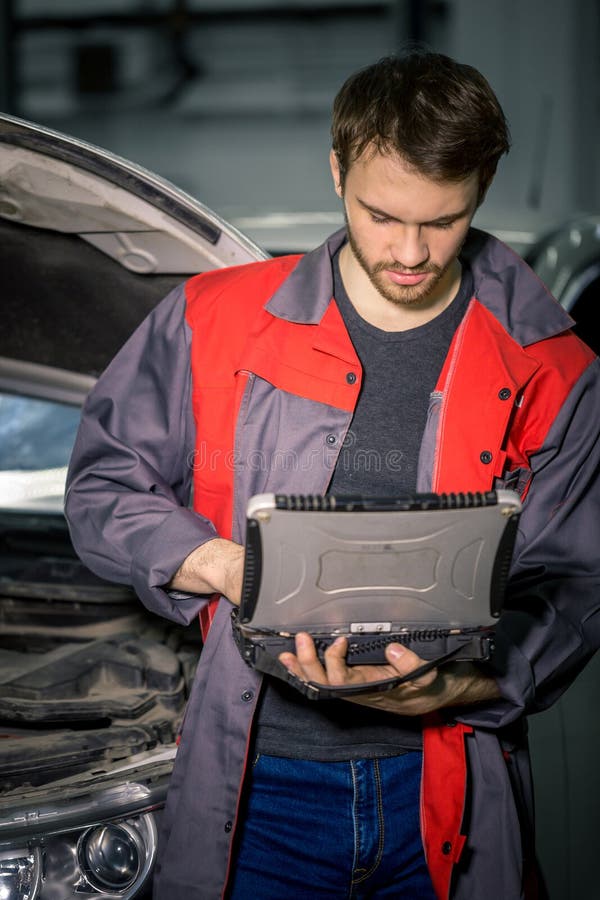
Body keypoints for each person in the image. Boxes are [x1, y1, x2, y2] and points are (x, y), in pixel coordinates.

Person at [64, 50, 600, 900]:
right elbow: (102, 488)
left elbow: (577, 582)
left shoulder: (551, 367)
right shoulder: (216, 322)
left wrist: (457, 687)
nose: (413, 253)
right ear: (336, 168)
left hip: (443, 793)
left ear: (483, 189)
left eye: (446, 220)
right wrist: (225, 566)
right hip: (257, 793)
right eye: (382, 215)